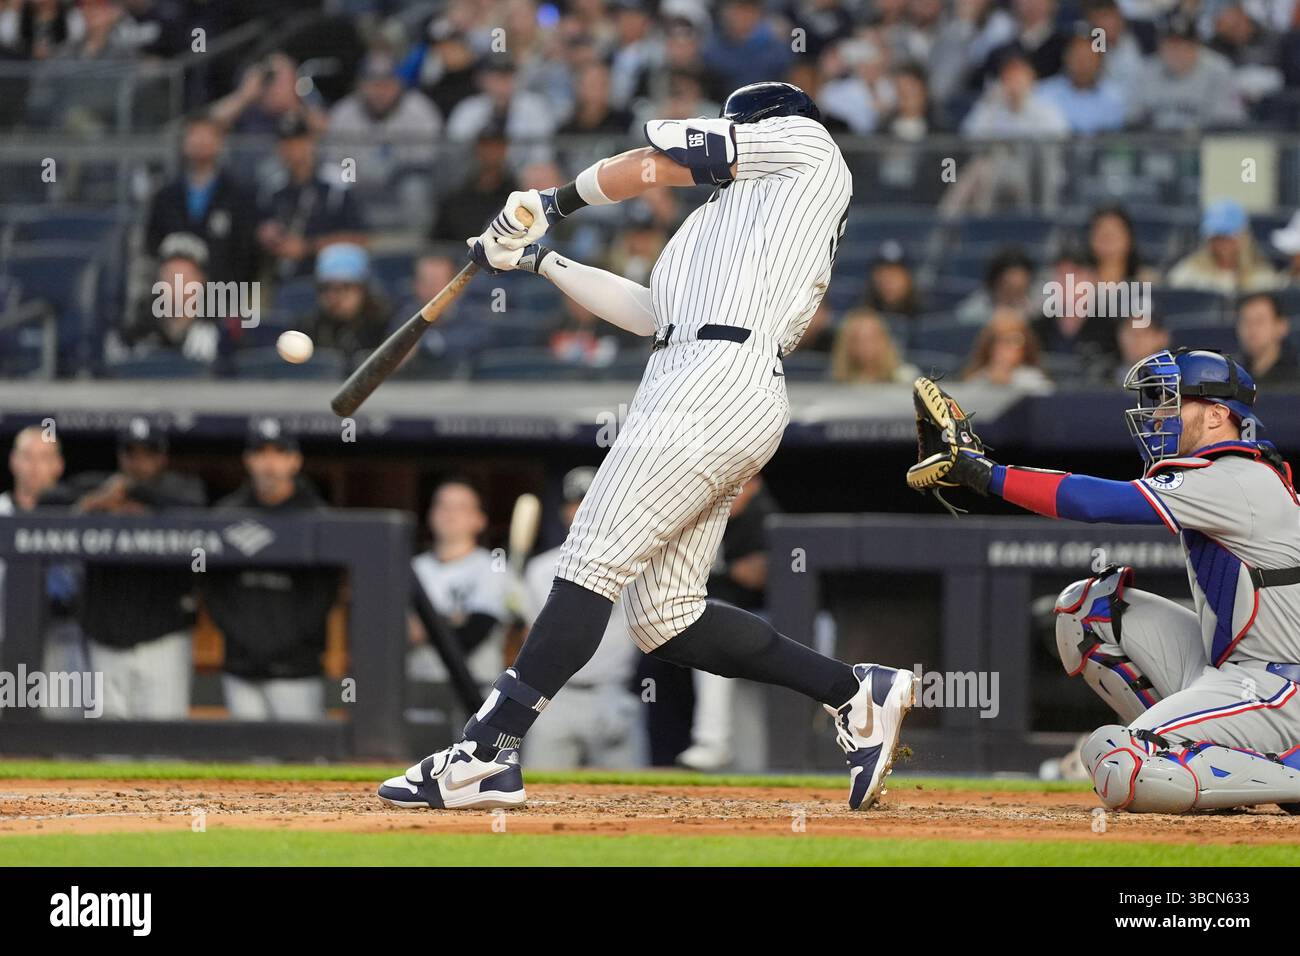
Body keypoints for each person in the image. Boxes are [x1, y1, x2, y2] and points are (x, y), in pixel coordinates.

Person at [378, 81, 915, 813]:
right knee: (666, 618)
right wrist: (537, 258)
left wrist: (552, 198)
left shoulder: (806, 147)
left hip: (715, 383)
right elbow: (649, 313)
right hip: (697, 377)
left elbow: (660, 157)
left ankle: (485, 751)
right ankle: (854, 692)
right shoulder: (723, 226)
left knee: (589, 560)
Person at [924, 349, 1300, 813]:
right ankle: (1196, 753)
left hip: (1277, 689)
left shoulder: (1236, 477)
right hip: (1231, 669)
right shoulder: (1232, 472)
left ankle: (1281, 770)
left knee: (1122, 764)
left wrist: (985, 475)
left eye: (1171, 402)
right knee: (1086, 612)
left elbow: (1095, 503)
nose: (1158, 415)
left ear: (1219, 414)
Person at [204, 418, 338, 721]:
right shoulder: (227, 513)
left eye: (279, 453)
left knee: (303, 758)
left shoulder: (317, 516)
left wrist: (282, 646)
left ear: (295, 460)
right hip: (240, 664)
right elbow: (212, 590)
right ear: (248, 460)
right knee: (247, 760)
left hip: (296, 667)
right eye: (261, 454)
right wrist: (246, 641)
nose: (270, 463)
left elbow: (323, 595)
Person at [72, 418, 205, 720]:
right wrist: (98, 502)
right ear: (121, 456)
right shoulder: (98, 490)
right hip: (104, 639)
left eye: (149, 453)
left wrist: (141, 502)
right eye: (132, 453)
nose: (140, 462)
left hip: (163, 642)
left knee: (164, 748)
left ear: (163, 457)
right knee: (107, 751)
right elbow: (55, 500)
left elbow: (196, 509)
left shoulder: (181, 493)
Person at [521, 467, 643, 769]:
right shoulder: (539, 569)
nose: (584, 511)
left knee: (632, 801)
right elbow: (528, 640)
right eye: (577, 503)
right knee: (540, 796)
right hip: (553, 697)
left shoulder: (641, 566)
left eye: (594, 502)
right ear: (566, 511)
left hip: (612, 692)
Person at [410, 478, 511, 688]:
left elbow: (472, 634)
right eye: (442, 505)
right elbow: (393, 634)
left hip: (474, 687)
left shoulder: (492, 565)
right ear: (430, 514)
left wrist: (425, 628)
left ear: (479, 520)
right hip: (417, 684)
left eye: (461, 507)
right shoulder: (413, 567)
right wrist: (452, 620)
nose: (450, 513)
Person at [144, 113, 259, 285]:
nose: (200, 141)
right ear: (184, 143)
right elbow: (152, 246)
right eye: (194, 134)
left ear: (219, 142)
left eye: (206, 135)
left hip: (223, 298)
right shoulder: (165, 197)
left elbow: (247, 253)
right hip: (172, 299)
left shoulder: (238, 196)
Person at [257, 114, 367, 279]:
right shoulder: (273, 187)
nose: (292, 149)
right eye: (286, 143)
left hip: (328, 278)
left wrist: (307, 247)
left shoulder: (336, 183)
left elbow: (360, 238)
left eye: (298, 141)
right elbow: (261, 227)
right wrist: (267, 235)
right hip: (282, 277)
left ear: (311, 142)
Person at [326, 51, 442, 195]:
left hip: (402, 191)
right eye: (374, 84)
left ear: (399, 84)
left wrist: (394, 172)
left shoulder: (420, 111)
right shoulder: (344, 113)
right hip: (358, 189)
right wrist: (358, 177)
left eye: (386, 84)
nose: (380, 91)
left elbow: (430, 162)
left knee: (415, 188)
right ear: (361, 85)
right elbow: (334, 162)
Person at [1127, 13, 1246, 131]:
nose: (1178, 52)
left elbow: (1228, 124)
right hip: (1156, 145)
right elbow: (1133, 121)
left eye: (1184, 45)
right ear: (1160, 46)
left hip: (1205, 145)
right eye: (1171, 45)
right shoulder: (1147, 70)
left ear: (1197, 45)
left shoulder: (1219, 70)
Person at [1166, 199, 1279, 294]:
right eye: (1216, 237)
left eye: (1227, 236)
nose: (1221, 243)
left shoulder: (1262, 278)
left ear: (1243, 238)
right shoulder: (1187, 274)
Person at [300, 243, 390, 361]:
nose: (333, 296)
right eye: (325, 288)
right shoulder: (310, 327)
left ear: (363, 289)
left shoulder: (382, 325)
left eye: (344, 287)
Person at [1036, 28, 1128, 134]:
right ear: (1065, 58)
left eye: (1088, 57)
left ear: (1099, 60)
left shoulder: (1115, 97)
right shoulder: (1045, 94)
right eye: (1077, 57)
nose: (1083, 63)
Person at [962, 309, 1053, 390]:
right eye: (998, 341)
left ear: (1026, 348)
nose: (1003, 349)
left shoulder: (1035, 380)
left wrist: (1010, 380)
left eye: (1014, 341)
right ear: (987, 347)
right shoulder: (976, 380)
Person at [830, 309, 918, 384]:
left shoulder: (907, 378)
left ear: (884, 340)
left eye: (871, 338)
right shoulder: (834, 383)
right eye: (857, 340)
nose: (864, 346)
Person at [1237, 292, 1300, 386]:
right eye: (1246, 321)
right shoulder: (1232, 374)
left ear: (1281, 326)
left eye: (1260, 321)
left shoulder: (1295, 377)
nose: (1252, 328)